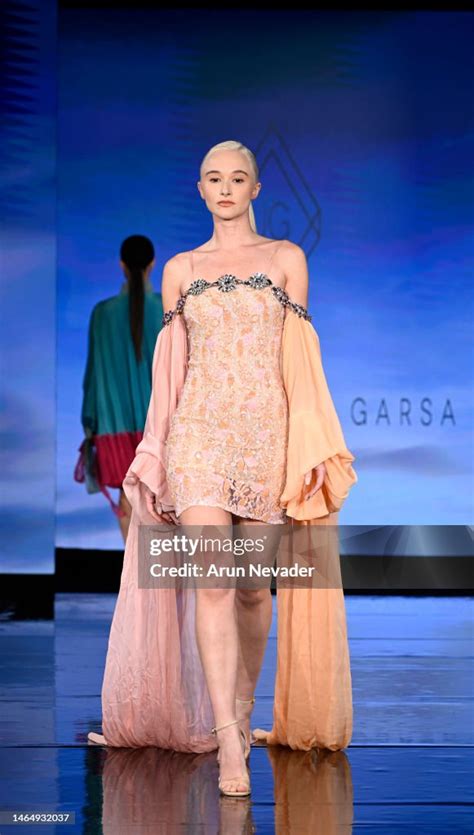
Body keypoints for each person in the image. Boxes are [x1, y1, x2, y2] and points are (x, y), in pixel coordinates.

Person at [88, 141, 357, 799]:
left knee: (252, 589)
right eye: (215, 178)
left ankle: (240, 706)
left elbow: (300, 362)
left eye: (238, 178)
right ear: (201, 189)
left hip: (266, 436)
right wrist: (155, 452)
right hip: (200, 436)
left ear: (256, 188)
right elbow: (170, 371)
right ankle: (229, 740)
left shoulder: (286, 259)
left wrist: (308, 449)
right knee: (212, 582)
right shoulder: (182, 269)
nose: (227, 187)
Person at [77, 235, 163, 541]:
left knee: (128, 498)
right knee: (164, 501)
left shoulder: (102, 314)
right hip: (162, 427)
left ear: (121, 265)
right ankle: (162, 570)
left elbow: (93, 376)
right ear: (153, 264)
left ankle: (134, 570)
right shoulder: (167, 308)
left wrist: (90, 426)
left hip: (114, 428)